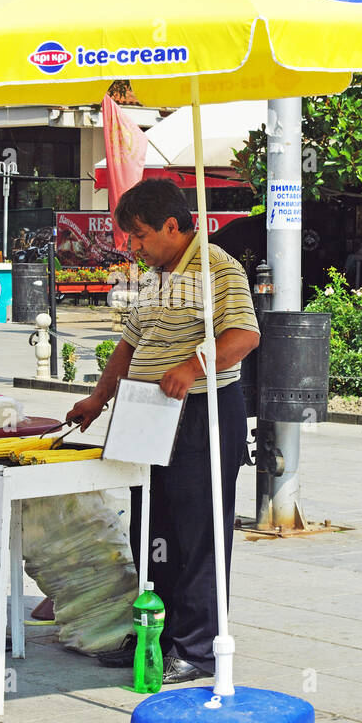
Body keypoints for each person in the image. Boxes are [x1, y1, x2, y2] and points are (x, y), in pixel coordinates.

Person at [66, 179, 260, 684]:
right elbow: (129, 344)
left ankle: (196, 648)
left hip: (201, 412)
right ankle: (154, 632)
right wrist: (96, 398)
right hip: (145, 412)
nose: (132, 246)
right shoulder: (155, 276)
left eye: (140, 235)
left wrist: (192, 369)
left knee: (199, 533)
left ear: (172, 227)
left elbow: (244, 335)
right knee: (150, 527)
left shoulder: (219, 268)